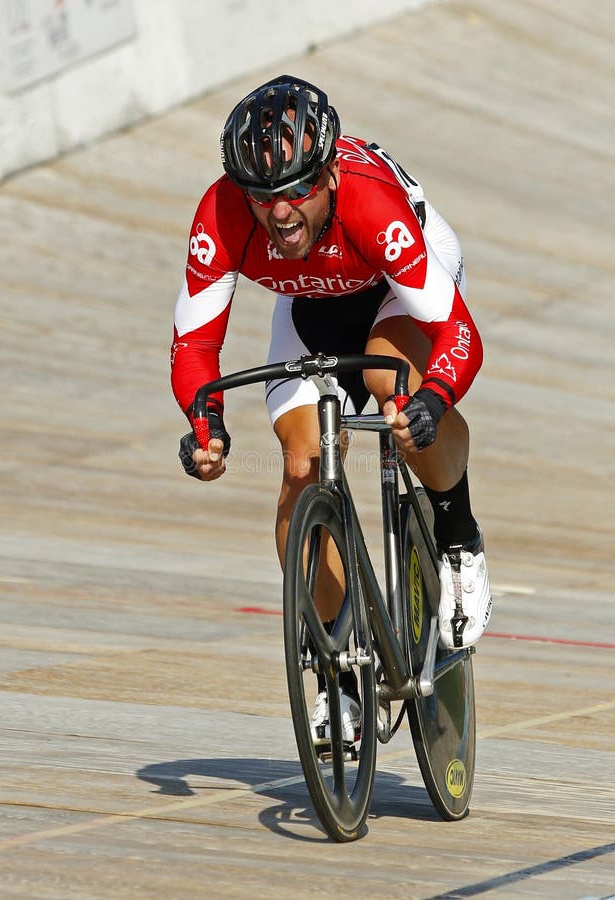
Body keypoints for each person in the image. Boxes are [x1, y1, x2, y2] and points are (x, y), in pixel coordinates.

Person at [171, 74, 492, 744]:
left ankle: (457, 538)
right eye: (262, 197)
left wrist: (434, 397)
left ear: (328, 176)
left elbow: (457, 333)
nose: (279, 212)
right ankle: (341, 671)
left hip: (394, 287)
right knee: (302, 463)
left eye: (296, 191)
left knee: (395, 393)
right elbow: (194, 344)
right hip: (311, 303)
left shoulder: (371, 205)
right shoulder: (222, 214)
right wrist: (206, 428)